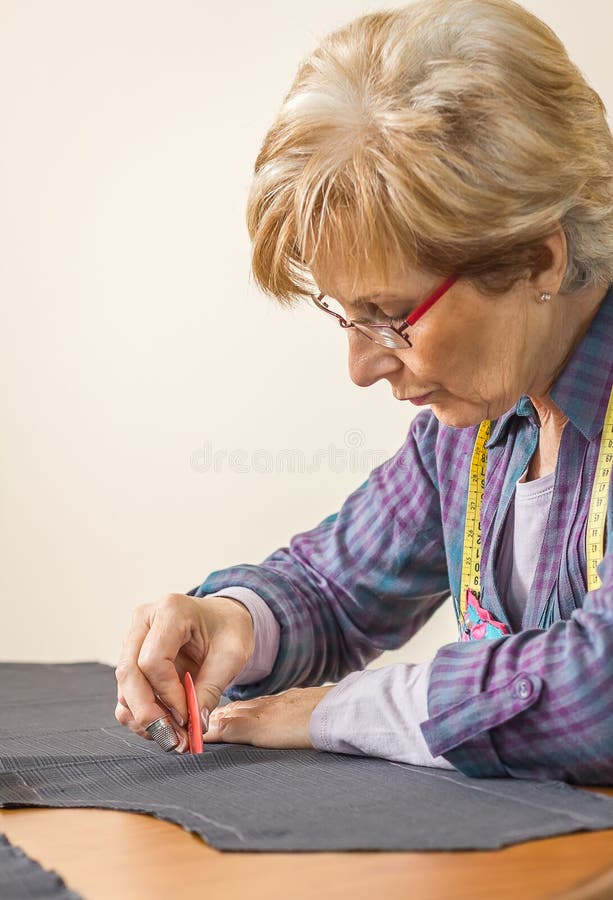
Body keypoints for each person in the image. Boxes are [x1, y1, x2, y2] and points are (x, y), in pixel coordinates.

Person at [115, 0, 613, 783]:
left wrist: (337, 711)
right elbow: (336, 590)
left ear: (537, 262)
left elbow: (603, 685)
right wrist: (234, 621)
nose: (359, 367)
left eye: (389, 317)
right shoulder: (476, 423)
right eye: (346, 316)